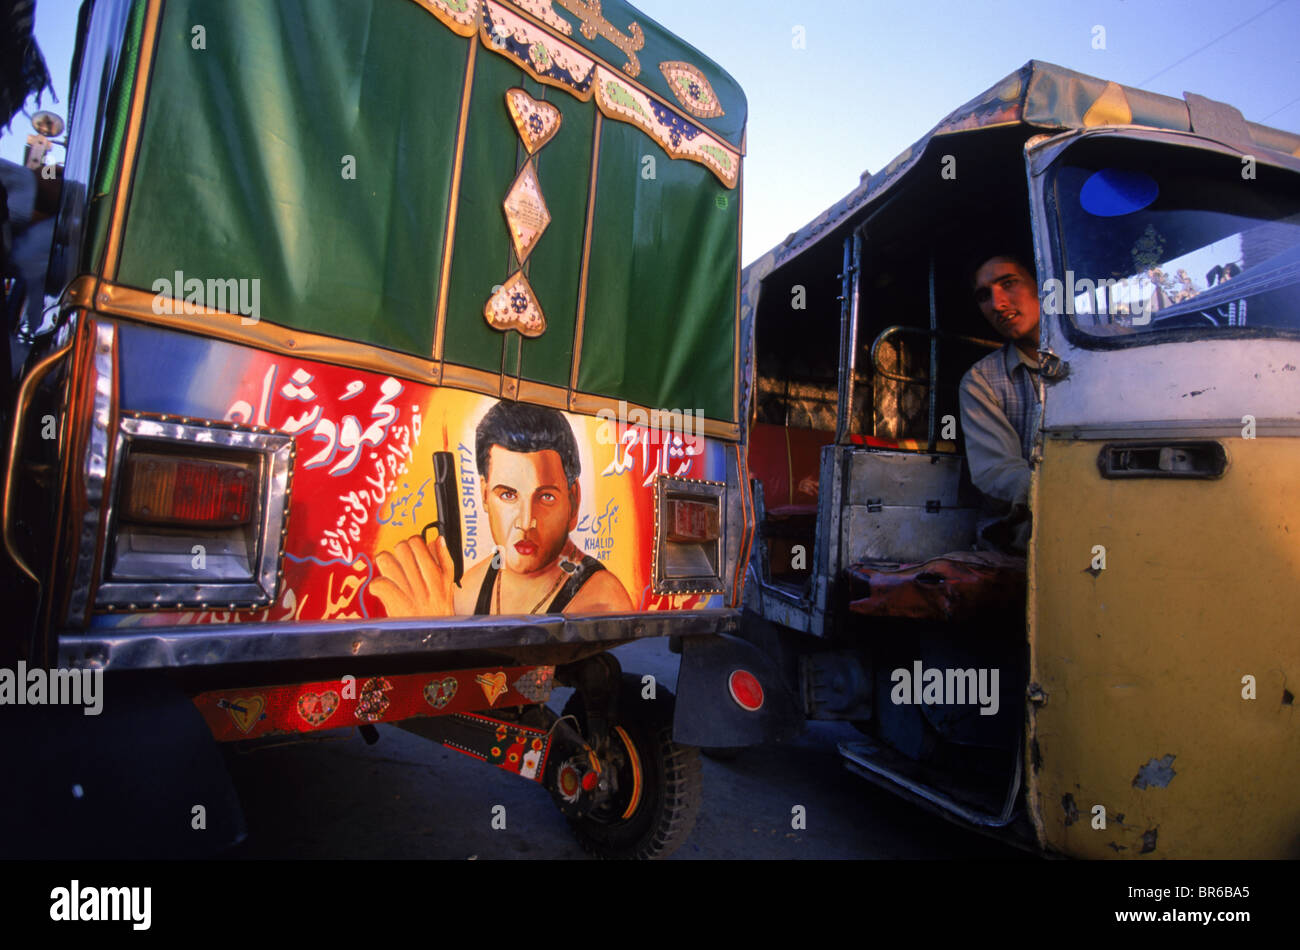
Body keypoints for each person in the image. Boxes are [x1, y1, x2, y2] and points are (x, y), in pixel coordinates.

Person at [371, 400, 633, 616]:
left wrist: (436, 631)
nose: (526, 520)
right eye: (508, 495)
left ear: (573, 501)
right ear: (485, 495)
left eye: (545, 497)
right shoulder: (470, 587)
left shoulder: (602, 600)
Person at [958, 254, 1041, 550]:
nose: (997, 304)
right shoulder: (981, 380)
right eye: (984, 296)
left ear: (1042, 281)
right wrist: (1063, 492)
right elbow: (997, 471)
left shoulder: (1103, 348)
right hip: (1026, 540)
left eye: (1009, 283)